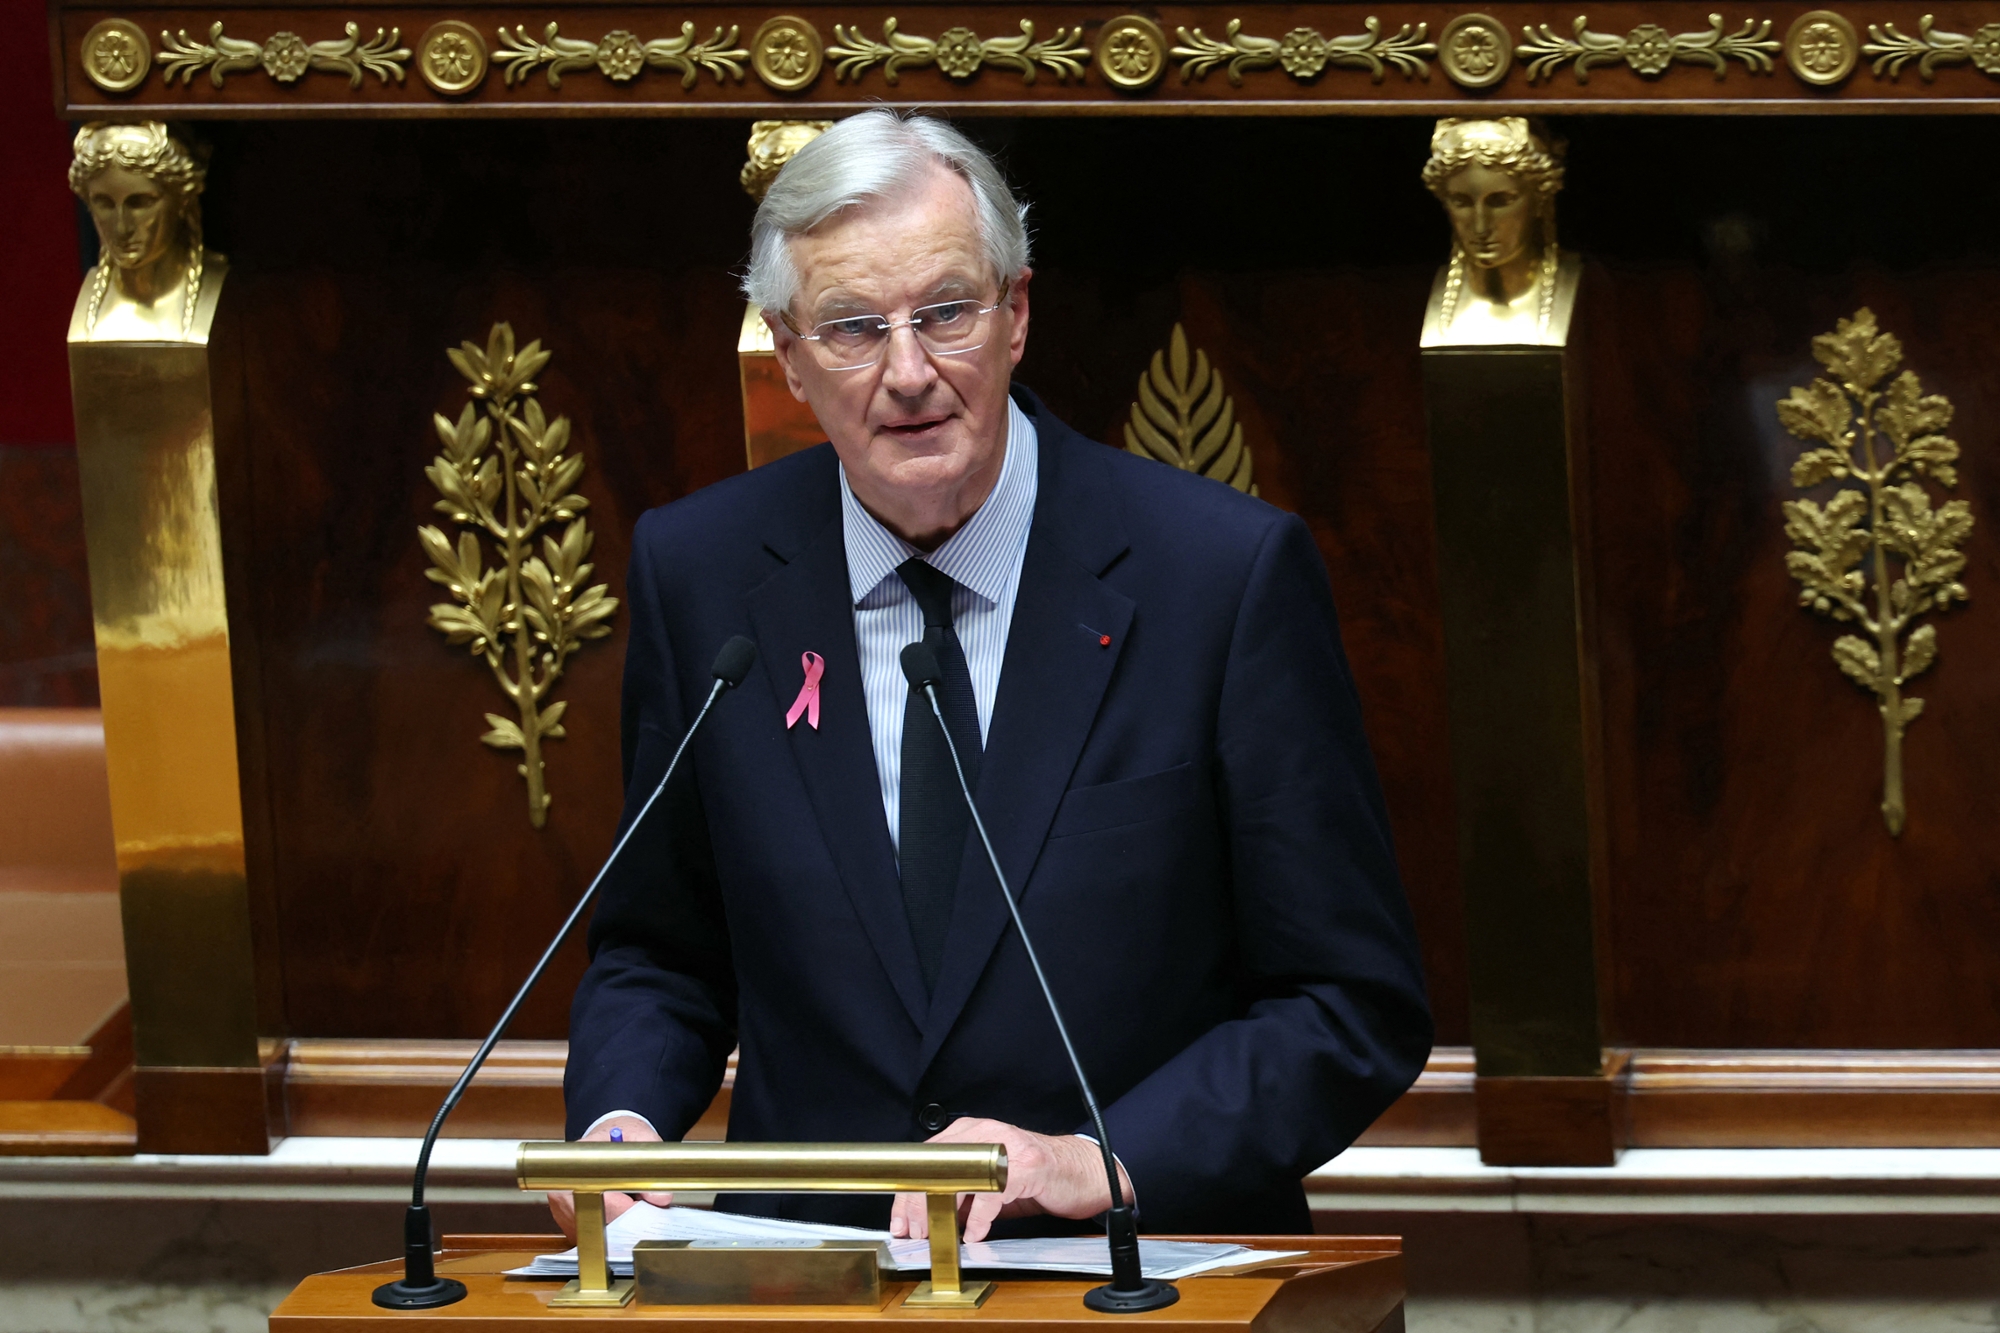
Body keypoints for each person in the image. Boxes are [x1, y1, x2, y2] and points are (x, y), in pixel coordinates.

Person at [556, 109, 1431, 1244]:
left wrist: (1098, 1159)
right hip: (816, 1283)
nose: (908, 372)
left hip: (1134, 1278)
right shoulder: (704, 574)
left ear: (1016, 313)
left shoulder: (1216, 577)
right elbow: (659, 948)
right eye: (855, 328)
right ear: (788, 352)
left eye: (947, 314)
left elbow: (1347, 1002)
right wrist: (622, 1116)